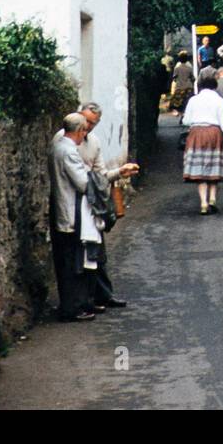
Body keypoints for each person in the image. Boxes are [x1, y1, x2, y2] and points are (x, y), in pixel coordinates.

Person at [77, 102, 139, 310]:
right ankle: (87, 299)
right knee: (81, 253)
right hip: (76, 201)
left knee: (98, 250)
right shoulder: (66, 140)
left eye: (92, 123)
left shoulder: (93, 141)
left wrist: (120, 171)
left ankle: (103, 295)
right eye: (85, 121)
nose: (87, 127)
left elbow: (101, 172)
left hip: (93, 201)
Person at [46, 112, 96, 322]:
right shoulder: (69, 151)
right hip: (70, 213)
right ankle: (72, 308)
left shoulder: (56, 147)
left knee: (64, 261)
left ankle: (70, 306)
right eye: (85, 130)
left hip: (60, 208)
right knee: (71, 262)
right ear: (79, 131)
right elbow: (83, 183)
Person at [182, 68, 223, 214]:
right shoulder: (219, 100)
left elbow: (186, 120)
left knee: (200, 170)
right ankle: (213, 199)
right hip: (214, 133)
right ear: (215, 86)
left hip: (196, 133)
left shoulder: (193, 100)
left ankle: (203, 203)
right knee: (214, 167)